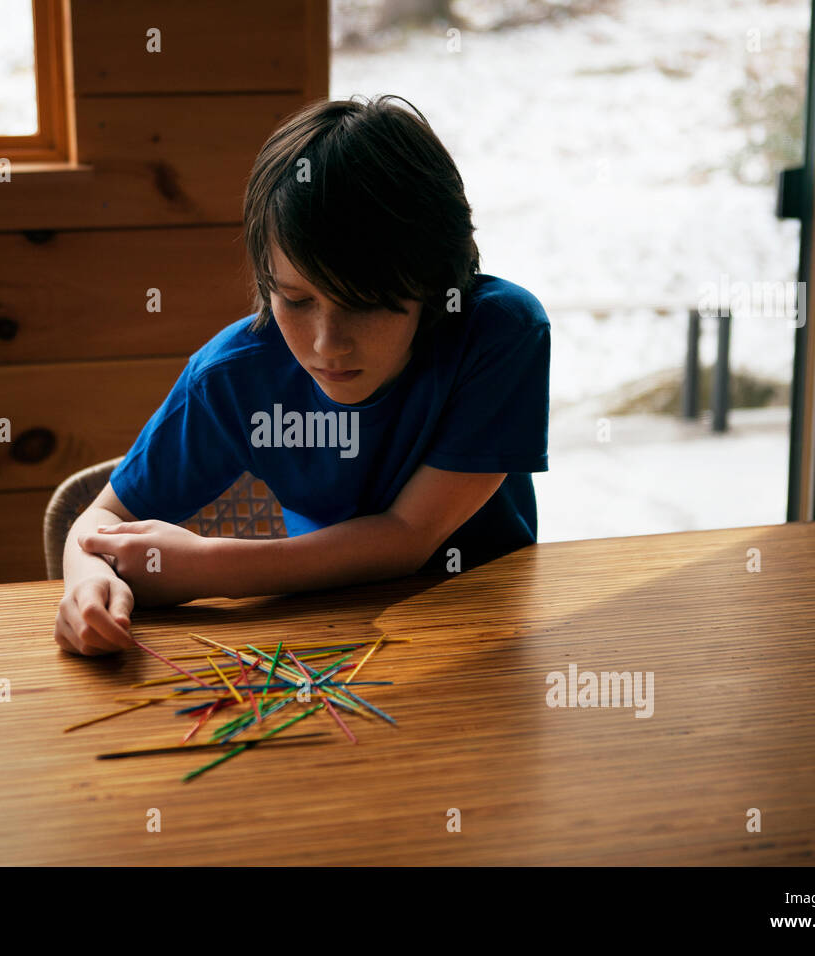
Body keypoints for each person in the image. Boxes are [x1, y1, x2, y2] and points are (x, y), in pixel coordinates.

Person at [55, 94, 550, 656]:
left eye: (364, 304)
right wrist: (85, 581)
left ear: (437, 286)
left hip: (488, 627)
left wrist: (207, 567)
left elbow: (408, 537)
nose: (325, 344)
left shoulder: (497, 333)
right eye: (294, 299)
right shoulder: (232, 376)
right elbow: (99, 519)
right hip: (325, 635)